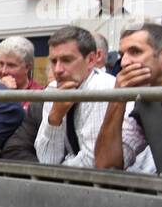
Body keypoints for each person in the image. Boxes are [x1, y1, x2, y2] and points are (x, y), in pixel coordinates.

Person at [93, 22, 162, 173]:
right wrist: (117, 100)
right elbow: (105, 164)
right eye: (122, 54)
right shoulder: (142, 92)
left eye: (135, 52)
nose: (124, 62)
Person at [34, 26, 116, 168]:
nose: (58, 70)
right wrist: (55, 117)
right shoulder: (54, 88)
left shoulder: (102, 87)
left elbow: (92, 162)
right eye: (53, 61)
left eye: (67, 60)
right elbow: (47, 161)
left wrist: (60, 167)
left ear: (91, 60)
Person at [0, 36, 43, 109]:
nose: (4, 71)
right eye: (1, 63)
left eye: (11, 65)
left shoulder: (40, 95)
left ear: (28, 67)